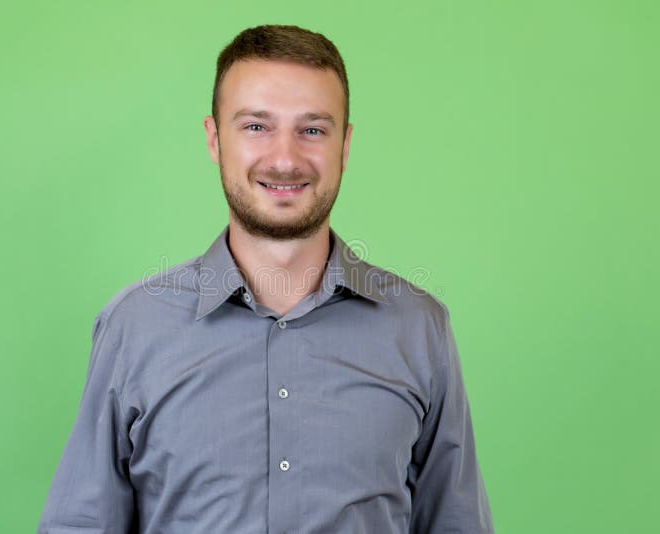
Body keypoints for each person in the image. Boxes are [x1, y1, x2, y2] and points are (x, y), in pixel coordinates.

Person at [37, 24, 494, 534]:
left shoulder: (419, 328)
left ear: (345, 144)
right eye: (256, 126)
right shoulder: (134, 327)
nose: (284, 158)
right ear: (214, 140)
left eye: (313, 129)